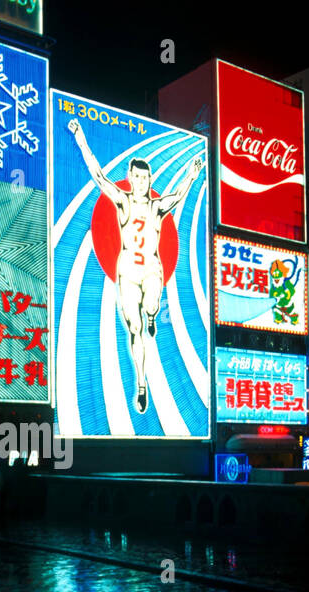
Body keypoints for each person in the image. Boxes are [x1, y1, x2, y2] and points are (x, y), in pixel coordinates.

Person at [68, 118, 203, 414]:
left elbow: (178, 197)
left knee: (152, 304)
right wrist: (80, 139)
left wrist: (192, 176)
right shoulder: (123, 201)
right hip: (127, 270)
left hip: (152, 270)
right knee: (135, 327)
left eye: (146, 178)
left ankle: (153, 313)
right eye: (137, 178)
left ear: (150, 180)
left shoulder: (156, 207)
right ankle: (141, 384)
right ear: (130, 178)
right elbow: (99, 176)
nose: (141, 182)